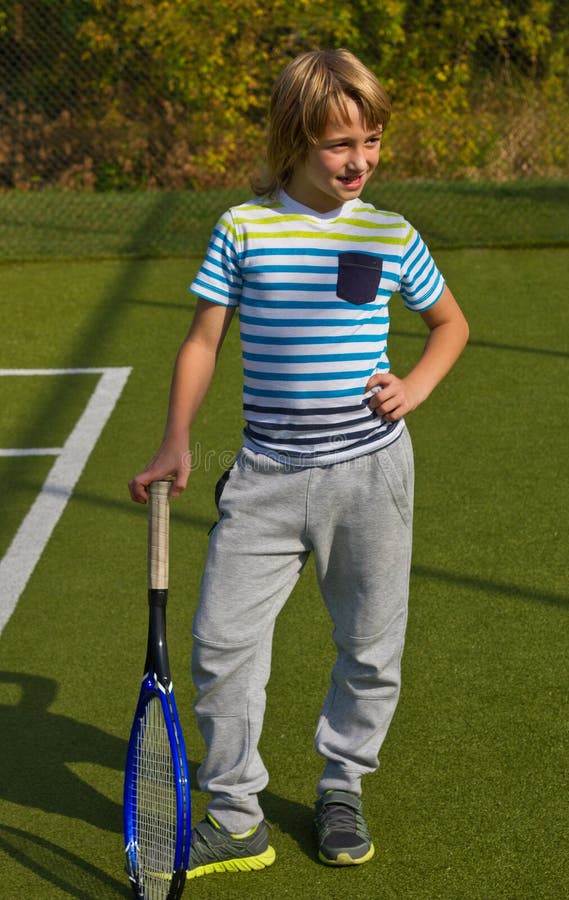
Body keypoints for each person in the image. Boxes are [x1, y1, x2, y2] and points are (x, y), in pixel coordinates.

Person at [129, 48, 469, 877]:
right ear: (292, 141)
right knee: (219, 644)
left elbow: (450, 324)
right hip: (266, 477)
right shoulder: (243, 228)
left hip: (371, 475)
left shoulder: (390, 232)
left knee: (369, 644)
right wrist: (176, 441)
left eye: (373, 141)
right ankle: (237, 814)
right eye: (339, 144)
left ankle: (342, 786)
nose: (359, 161)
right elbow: (203, 341)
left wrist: (415, 386)